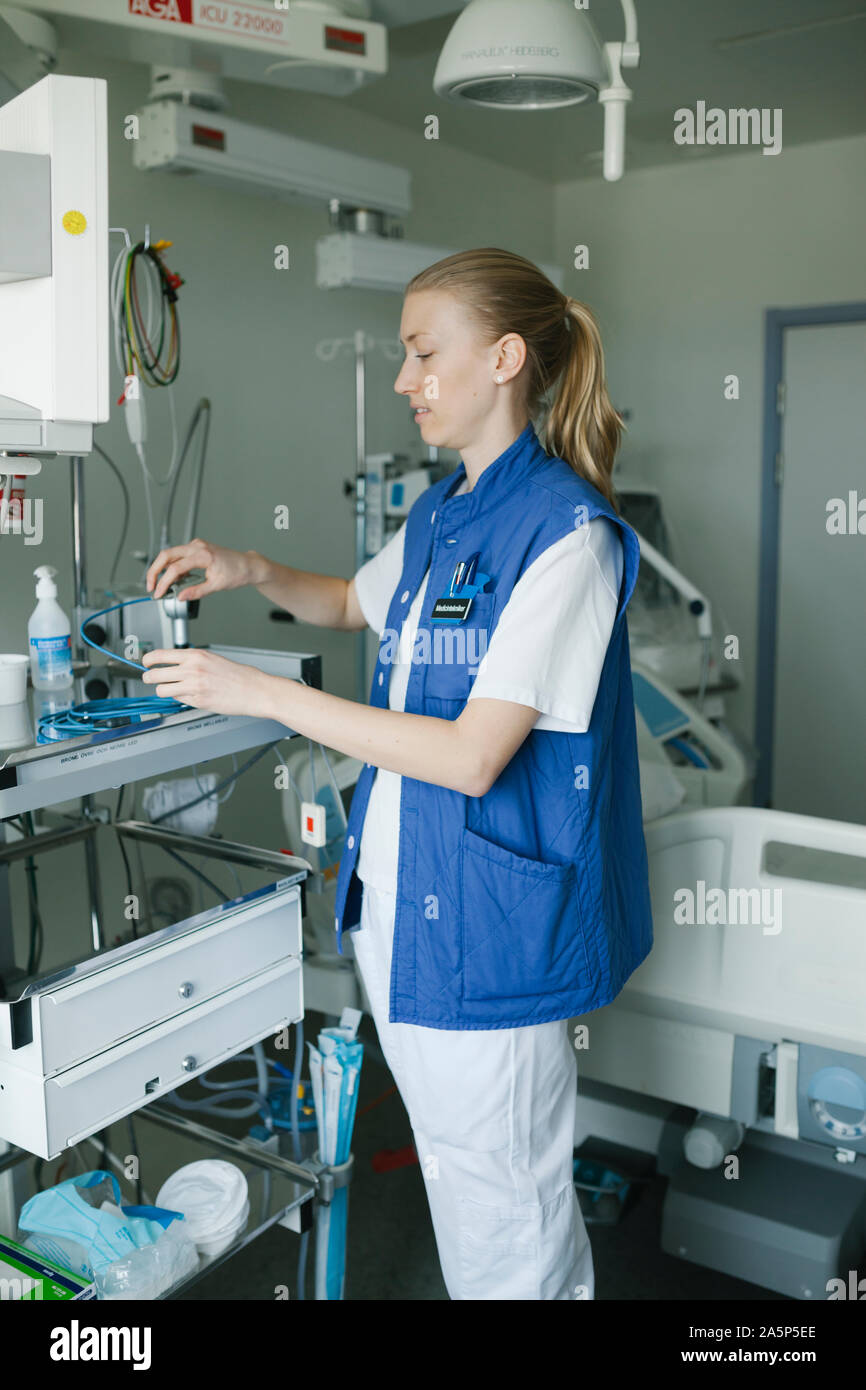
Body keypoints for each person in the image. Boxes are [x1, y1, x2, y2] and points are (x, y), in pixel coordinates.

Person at [143, 247, 653, 1301]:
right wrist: (249, 568)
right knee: (470, 1186)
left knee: (508, 1223)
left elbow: (472, 756)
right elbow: (351, 602)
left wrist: (263, 694)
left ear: (504, 357)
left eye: (423, 353)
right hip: (406, 917)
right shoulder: (442, 513)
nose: (401, 379)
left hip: (489, 938)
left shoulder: (565, 537)